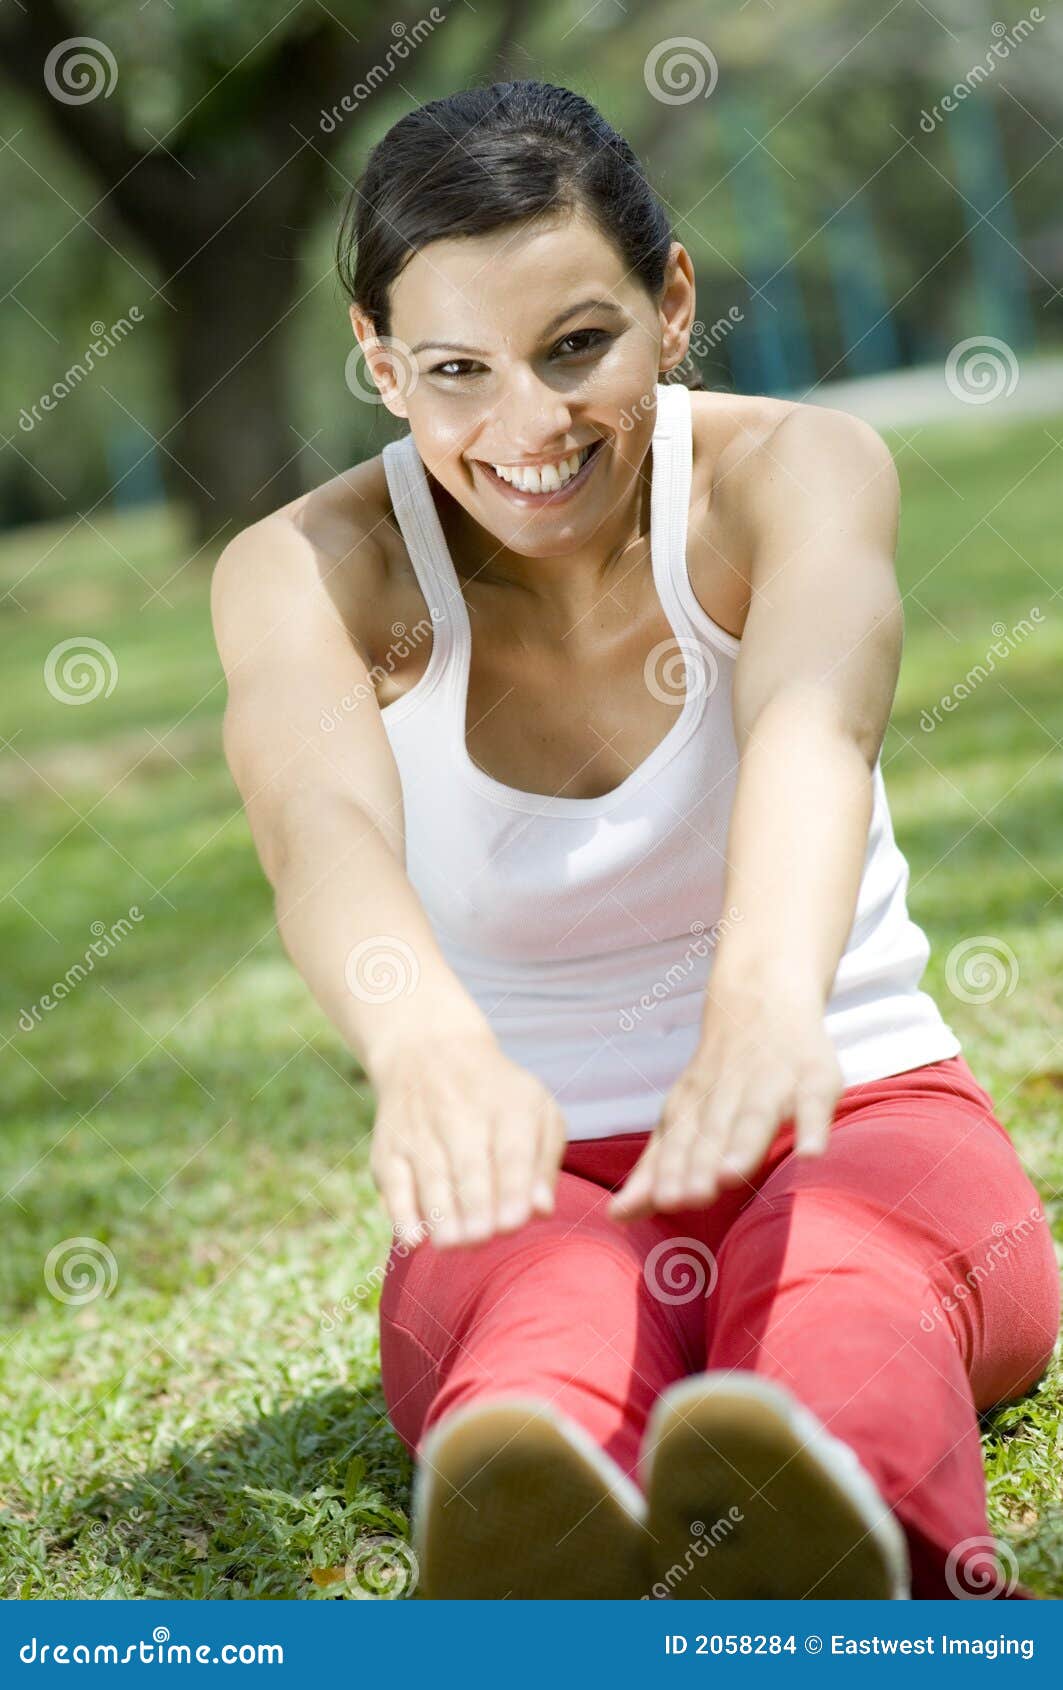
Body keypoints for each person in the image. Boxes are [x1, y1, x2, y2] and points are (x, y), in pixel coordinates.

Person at [211, 81, 1059, 1601]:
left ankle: (845, 1536)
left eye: (576, 346)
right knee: (549, 1308)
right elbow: (318, 822)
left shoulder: (791, 470)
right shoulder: (304, 572)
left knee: (841, 1286)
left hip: (853, 1107)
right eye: (458, 370)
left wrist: (763, 999)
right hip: (532, 1176)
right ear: (379, 361)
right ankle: (543, 1546)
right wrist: (422, 1046)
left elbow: (815, 724)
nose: (527, 428)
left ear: (673, 302)